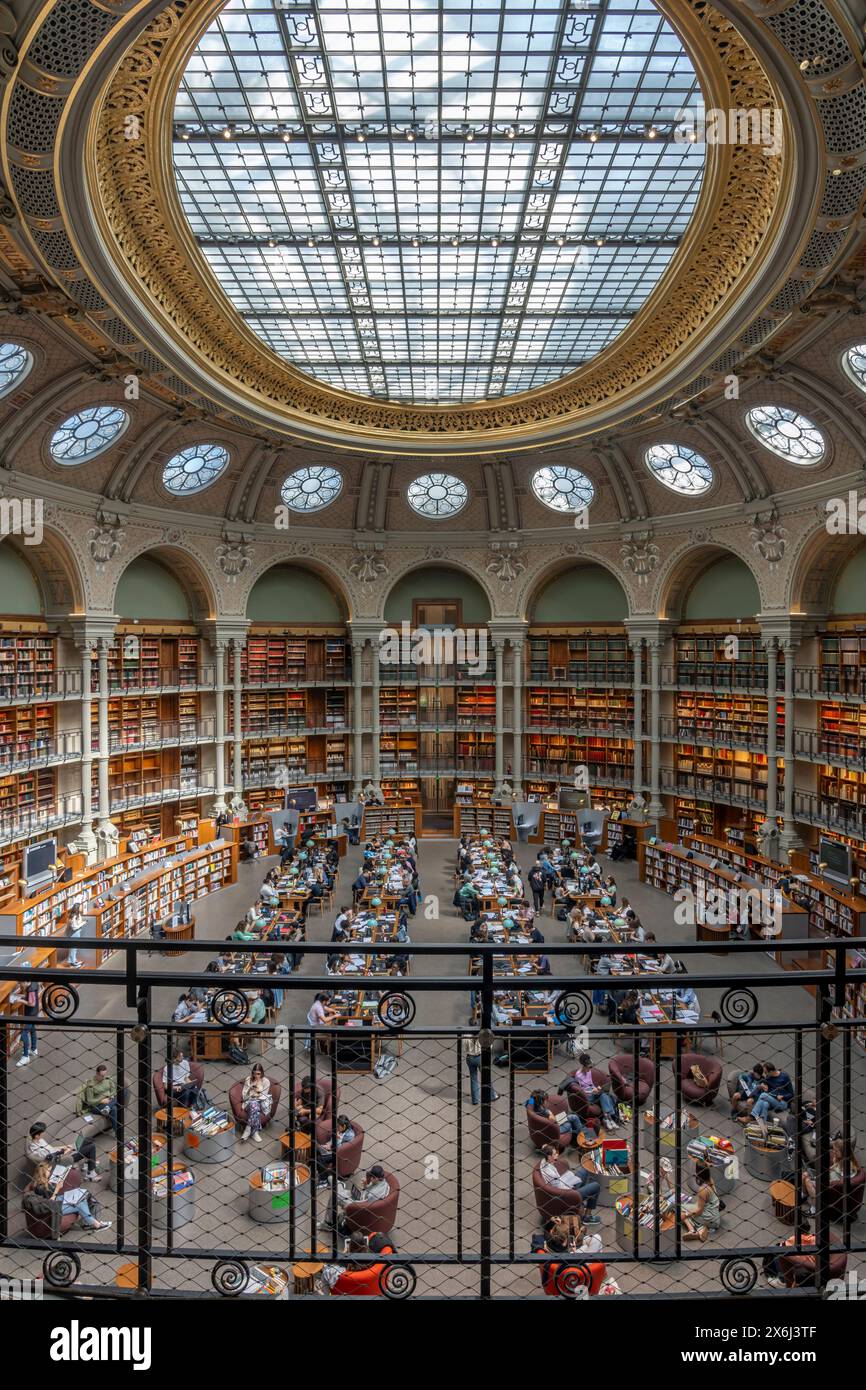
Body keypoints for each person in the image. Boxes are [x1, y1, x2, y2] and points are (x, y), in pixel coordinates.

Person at [25, 1162, 111, 1232]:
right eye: (49, 1170)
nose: (50, 1172)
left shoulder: (44, 1181)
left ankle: (88, 1222)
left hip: (54, 1201)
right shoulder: (40, 1187)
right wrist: (57, 1188)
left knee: (80, 1195)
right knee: (79, 1204)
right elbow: (50, 1202)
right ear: (43, 1172)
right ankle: (96, 1225)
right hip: (52, 1208)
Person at [538, 1144, 601, 1222]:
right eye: (554, 1154)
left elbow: (544, 1148)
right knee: (596, 1186)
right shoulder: (550, 1173)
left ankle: (580, 1203)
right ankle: (587, 1217)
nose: (557, 1155)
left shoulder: (544, 1161)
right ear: (549, 1157)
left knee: (584, 1171)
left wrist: (545, 1147)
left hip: (564, 1185)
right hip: (567, 1195)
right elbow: (561, 1189)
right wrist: (571, 1186)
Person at [560, 1053, 619, 1131]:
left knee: (603, 1095)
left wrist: (596, 1088)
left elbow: (590, 1083)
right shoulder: (578, 1075)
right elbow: (580, 1090)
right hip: (587, 1095)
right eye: (589, 1067)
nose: (590, 1069)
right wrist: (591, 1091)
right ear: (583, 1066)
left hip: (594, 1092)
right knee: (604, 1095)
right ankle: (608, 1118)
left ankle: (607, 1118)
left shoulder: (589, 1071)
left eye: (591, 1067)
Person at [801, 1136, 861, 1214]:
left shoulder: (848, 1165)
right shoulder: (838, 1158)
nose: (834, 1152)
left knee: (808, 1182)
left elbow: (841, 1182)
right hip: (827, 1178)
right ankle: (804, 1196)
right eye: (833, 1150)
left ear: (843, 1152)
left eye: (836, 1151)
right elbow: (832, 1168)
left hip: (832, 1186)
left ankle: (814, 1209)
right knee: (804, 1174)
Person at [26, 1121, 99, 1182]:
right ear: (37, 1135)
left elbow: (51, 1149)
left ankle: (89, 1164)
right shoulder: (36, 1149)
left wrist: (65, 1146)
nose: (44, 1133)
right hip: (62, 1160)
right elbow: (51, 1158)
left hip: (62, 1154)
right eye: (42, 1132)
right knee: (91, 1146)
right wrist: (67, 1151)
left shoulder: (39, 1140)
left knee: (88, 1140)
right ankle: (91, 1173)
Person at [526, 1089, 592, 1143]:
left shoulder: (532, 1104)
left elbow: (528, 1102)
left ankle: (581, 1133)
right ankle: (584, 1136)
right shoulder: (544, 1111)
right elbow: (553, 1120)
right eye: (545, 1100)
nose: (546, 1101)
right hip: (553, 1128)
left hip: (548, 1126)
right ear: (541, 1102)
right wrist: (549, 1112)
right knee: (570, 1123)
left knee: (573, 1118)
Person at [683, 1163, 722, 1238]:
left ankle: (695, 1230)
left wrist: (686, 1214)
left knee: (680, 1211)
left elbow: (699, 1210)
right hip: (715, 1215)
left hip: (709, 1217)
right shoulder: (710, 1180)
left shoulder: (702, 1190)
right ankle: (704, 1228)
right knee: (692, 1207)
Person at [750, 1062, 794, 1128]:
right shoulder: (768, 1077)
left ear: (771, 1071)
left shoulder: (784, 1077)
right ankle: (764, 1127)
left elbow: (791, 1094)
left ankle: (751, 1116)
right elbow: (770, 1091)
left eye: (766, 1072)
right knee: (765, 1104)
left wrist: (783, 1096)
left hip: (783, 1103)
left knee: (763, 1095)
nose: (765, 1074)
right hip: (772, 1100)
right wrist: (766, 1089)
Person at [82, 1064, 120, 1134]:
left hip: (109, 1101)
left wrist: (110, 1097)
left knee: (121, 1094)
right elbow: (89, 1101)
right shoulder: (91, 1084)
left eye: (105, 1075)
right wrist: (101, 1100)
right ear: (97, 1074)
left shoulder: (108, 1079)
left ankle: (108, 1107)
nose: (104, 1077)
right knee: (114, 1108)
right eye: (102, 1076)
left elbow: (114, 1091)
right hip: (97, 1106)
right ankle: (119, 1134)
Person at [239, 1063, 272, 1143]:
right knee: (254, 1105)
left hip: (260, 1102)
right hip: (248, 1102)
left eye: (258, 1074)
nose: (256, 1076)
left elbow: (264, 1096)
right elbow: (244, 1096)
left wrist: (258, 1093)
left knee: (255, 1105)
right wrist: (250, 1089)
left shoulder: (266, 1081)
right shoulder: (248, 1079)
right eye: (254, 1073)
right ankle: (254, 1132)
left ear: (262, 1073)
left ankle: (248, 1129)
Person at [463, 1034, 499, 1105]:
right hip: (480, 1057)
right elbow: (489, 1047)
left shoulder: (466, 1035)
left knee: (473, 1079)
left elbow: (465, 1048)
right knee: (486, 1077)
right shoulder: (482, 1034)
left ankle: (475, 1100)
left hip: (469, 1058)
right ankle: (492, 1096)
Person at [11, 979, 39, 1067]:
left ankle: (25, 1056)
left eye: (20, 983)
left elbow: (32, 1003)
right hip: (34, 1013)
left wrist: (20, 1000)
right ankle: (34, 1049)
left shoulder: (30, 989)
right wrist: (19, 996)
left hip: (30, 1015)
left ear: (25, 982)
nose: (20, 985)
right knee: (33, 1030)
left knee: (24, 1034)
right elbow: (31, 998)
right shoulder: (33, 983)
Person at [65, 902, 85, 968]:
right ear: (77, 908)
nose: (82, 907)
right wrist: (82, 924)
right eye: (81, 907)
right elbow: (74, 927)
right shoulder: (73, 917)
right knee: (73, 948)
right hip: (73, 933)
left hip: (77, 932)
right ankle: (72, 963)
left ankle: (73, 960)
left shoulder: (78, 914)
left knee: (75, 948)